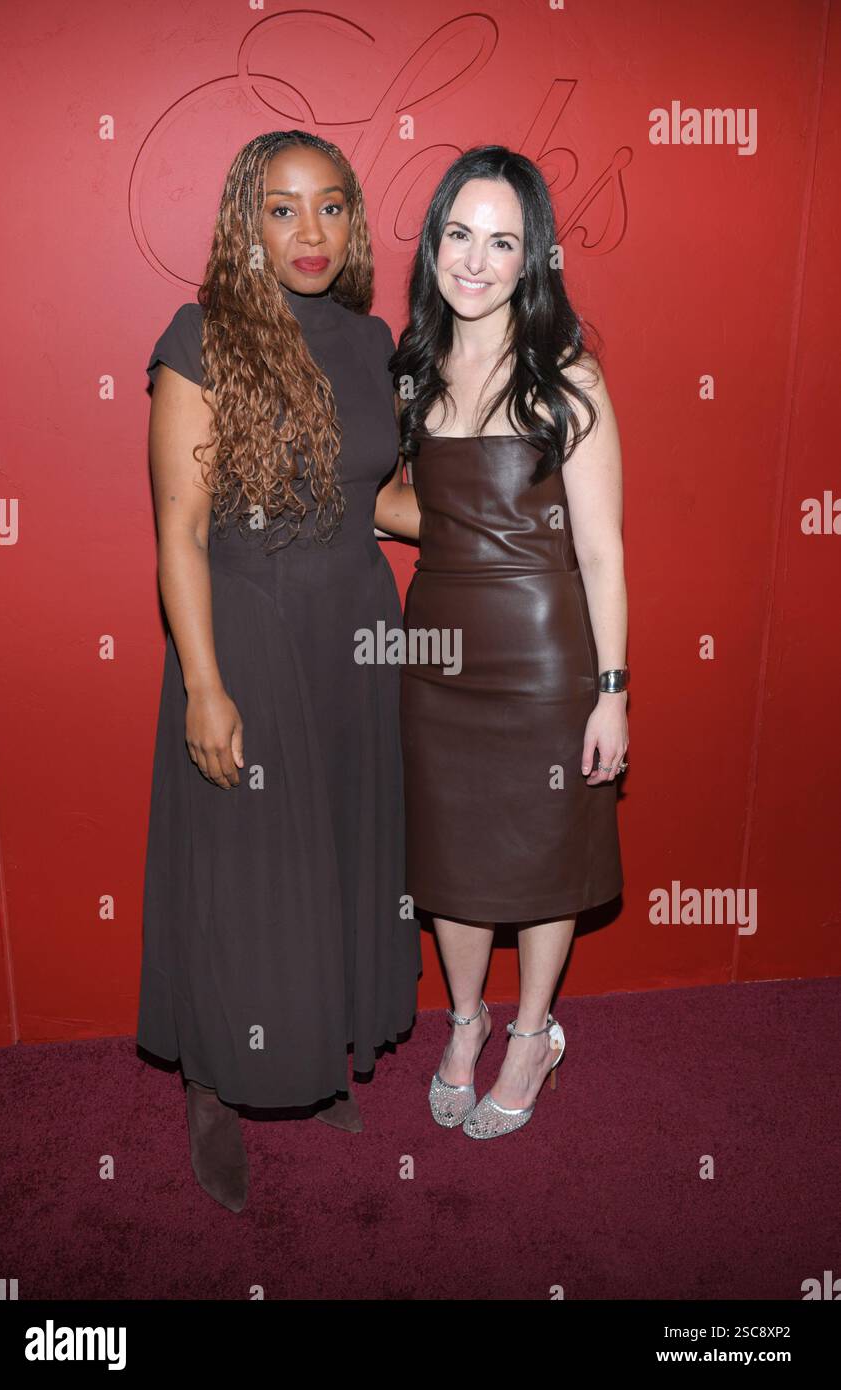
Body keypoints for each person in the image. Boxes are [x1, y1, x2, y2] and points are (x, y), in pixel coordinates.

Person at [137, 130, 422, 1211]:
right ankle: (213, 1078)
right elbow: (177, 524)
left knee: (337, 855)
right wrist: (204, 683)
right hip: (249, 633)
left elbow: (376, 499)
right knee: (244, 869)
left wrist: (489, 524)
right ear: (244, 223)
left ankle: (309, 1050)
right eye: (283, 209)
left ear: (352, 221)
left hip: (357, 631)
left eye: (331, 208)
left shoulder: (370, 338)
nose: (311, 232)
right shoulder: (199, 335)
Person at [391, 146, 627, 1140]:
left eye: (502, 241)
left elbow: (601, 548)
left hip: (540, 655)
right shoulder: (406, 366)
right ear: (435, 242)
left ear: (532, 258)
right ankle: (464, 1020)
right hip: (435, 653)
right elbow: (426, 505)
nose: (475, 260)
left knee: (537, 858)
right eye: (459, 234)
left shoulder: (564, 372)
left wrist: (610, 689)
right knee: (446, 855)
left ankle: (531, 1032)